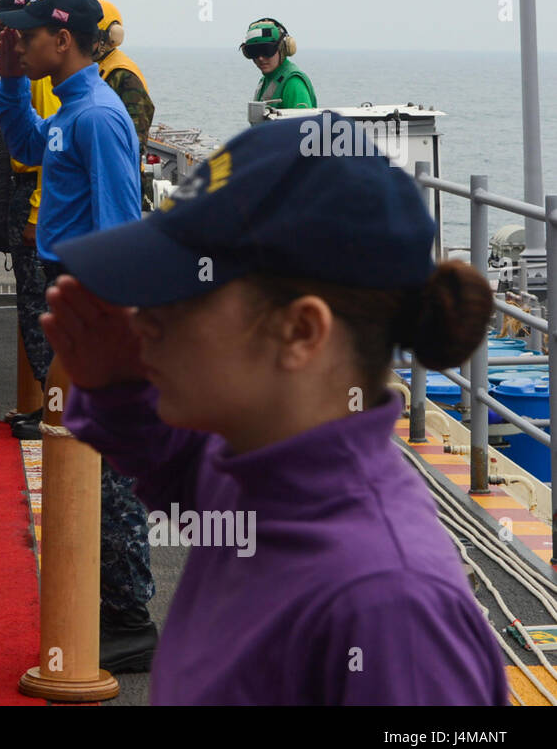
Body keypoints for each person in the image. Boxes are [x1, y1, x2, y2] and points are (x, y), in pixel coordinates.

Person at [49, 115, 508, 704]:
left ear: (300, 331)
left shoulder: (392, 611)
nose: (144, 315)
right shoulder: (259, 460)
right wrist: (116, 385)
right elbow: (176, 463)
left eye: (182, 290)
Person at [0, 0, 156, 673]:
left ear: (64, 41)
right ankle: (107, 603)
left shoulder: (98, 116)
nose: (19, 41)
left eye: (28, 35)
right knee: (85, 456)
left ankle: (128, 620)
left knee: (110, 468)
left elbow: (120, 224)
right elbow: (27, 143)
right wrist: (6, 83)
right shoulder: (69, 106)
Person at [0, 0, 61, 439]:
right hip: (24, 187)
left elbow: (49, 151)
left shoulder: (41, 76)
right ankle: (48, 405)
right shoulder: (28, 70)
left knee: (39, 309)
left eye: (6, 23)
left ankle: (56, 410)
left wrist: (35, 215)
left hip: (35, 191)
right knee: (33, 307)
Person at [93, 0, 156, 210]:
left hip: (120, 183)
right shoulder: (99, 69)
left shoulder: (123, 74)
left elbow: (134, 141)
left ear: (108, 37)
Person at [243, 17, 316, 110]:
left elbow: (302, 122)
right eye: (254, 52)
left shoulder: (293, 83)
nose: (260, 58)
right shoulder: (265, 81)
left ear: (282, 48)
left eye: (267, 50)